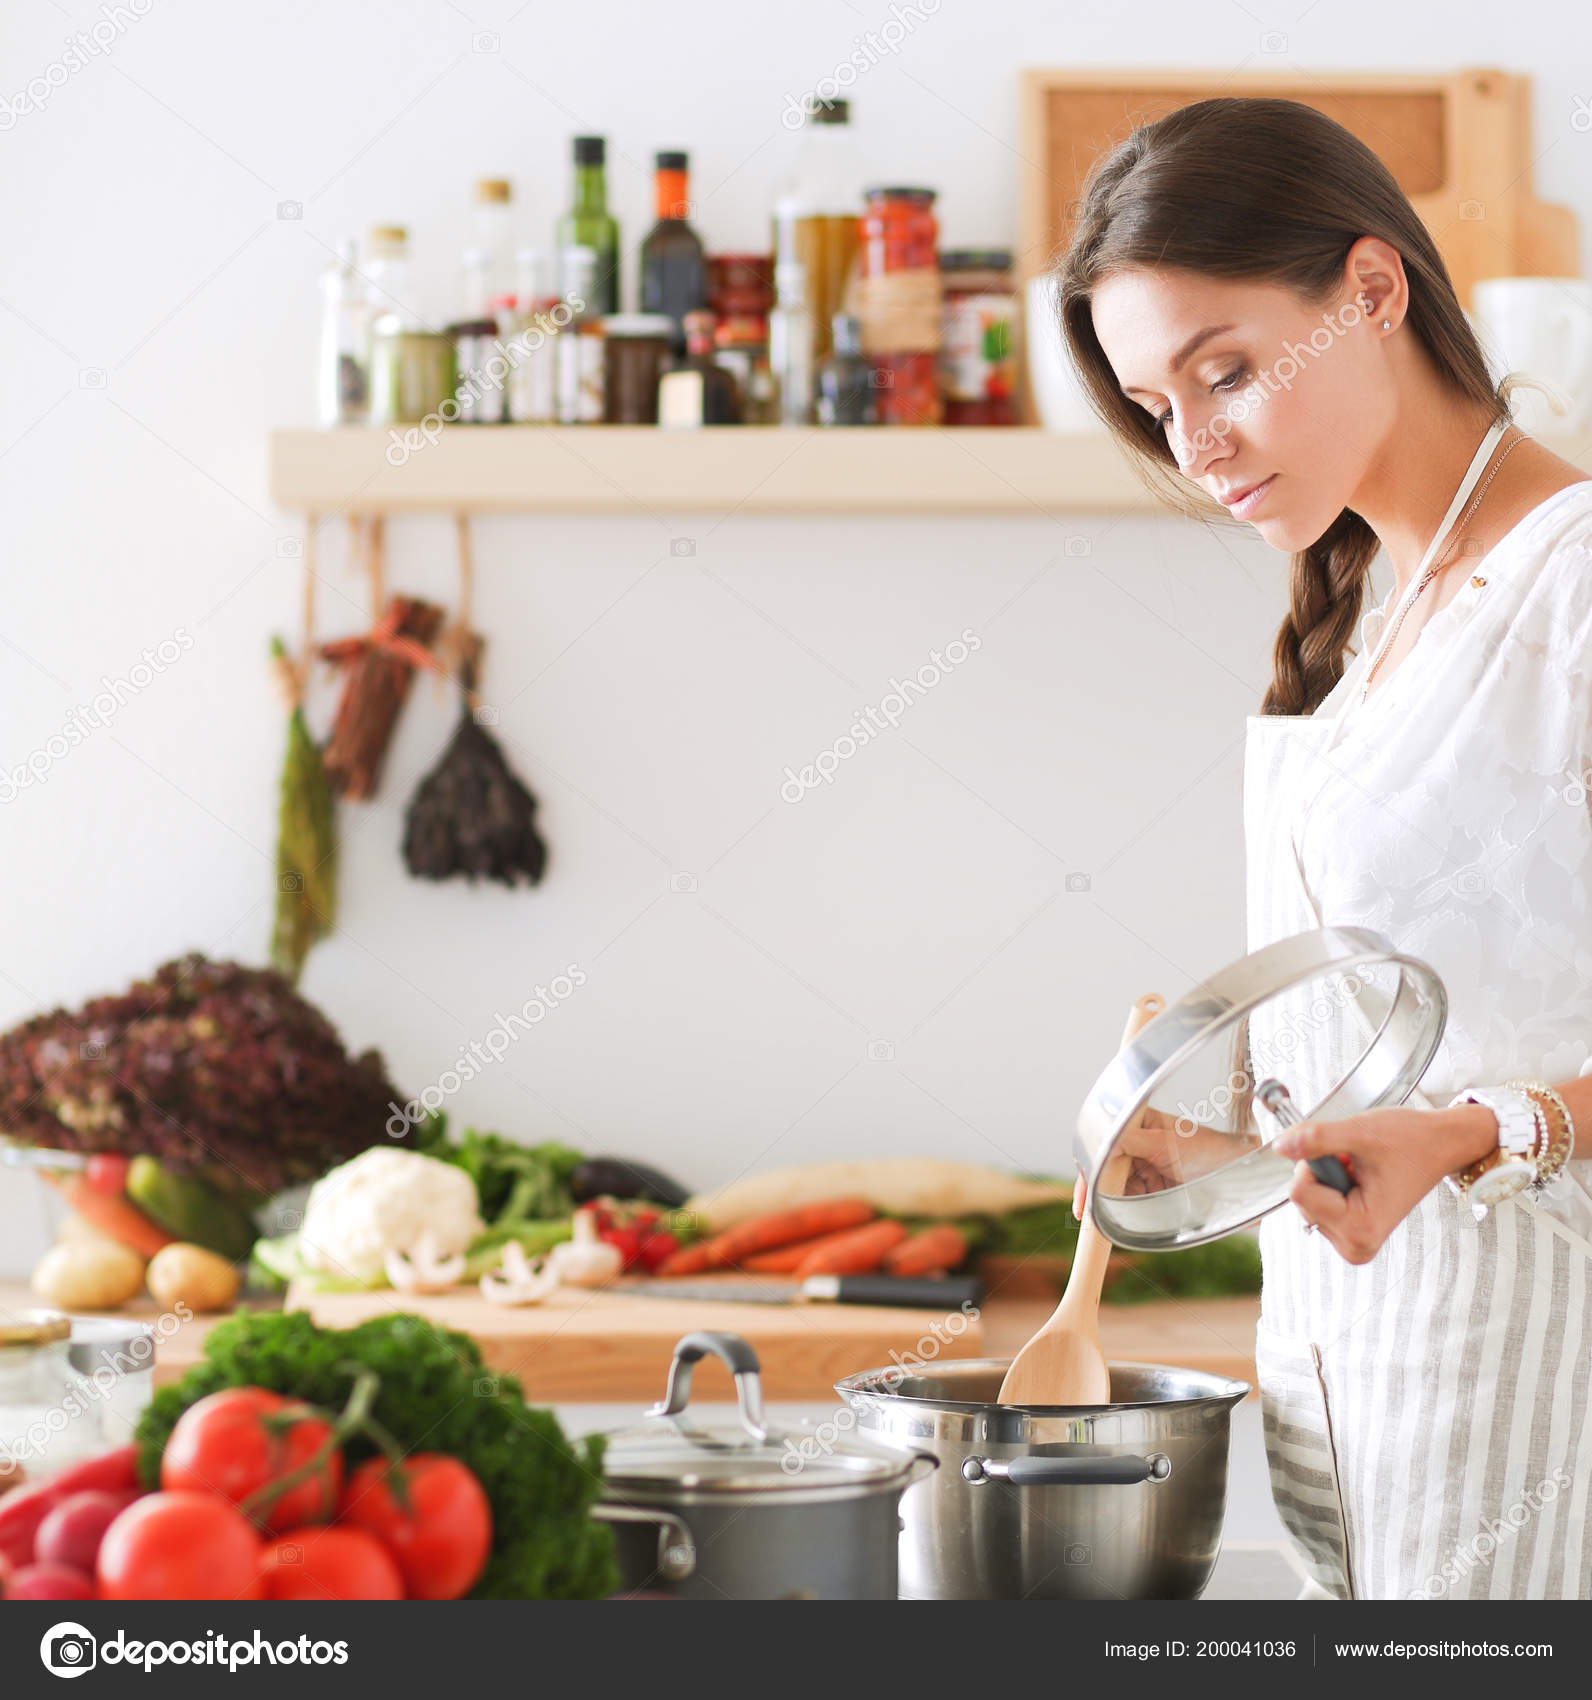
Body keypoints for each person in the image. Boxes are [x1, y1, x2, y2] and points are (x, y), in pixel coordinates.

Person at [1056, 97, 1592, 1600]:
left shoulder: (1571, 585)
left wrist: (1490, 1133)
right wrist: (1216, 1147)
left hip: (1535, 1390)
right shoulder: (1361, 603)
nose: (1199, 446)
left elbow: (1476, 1096)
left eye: (1226, 372)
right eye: (1159, 407)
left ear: (1371, 290)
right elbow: (1439, 1020)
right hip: (1346, 1393)